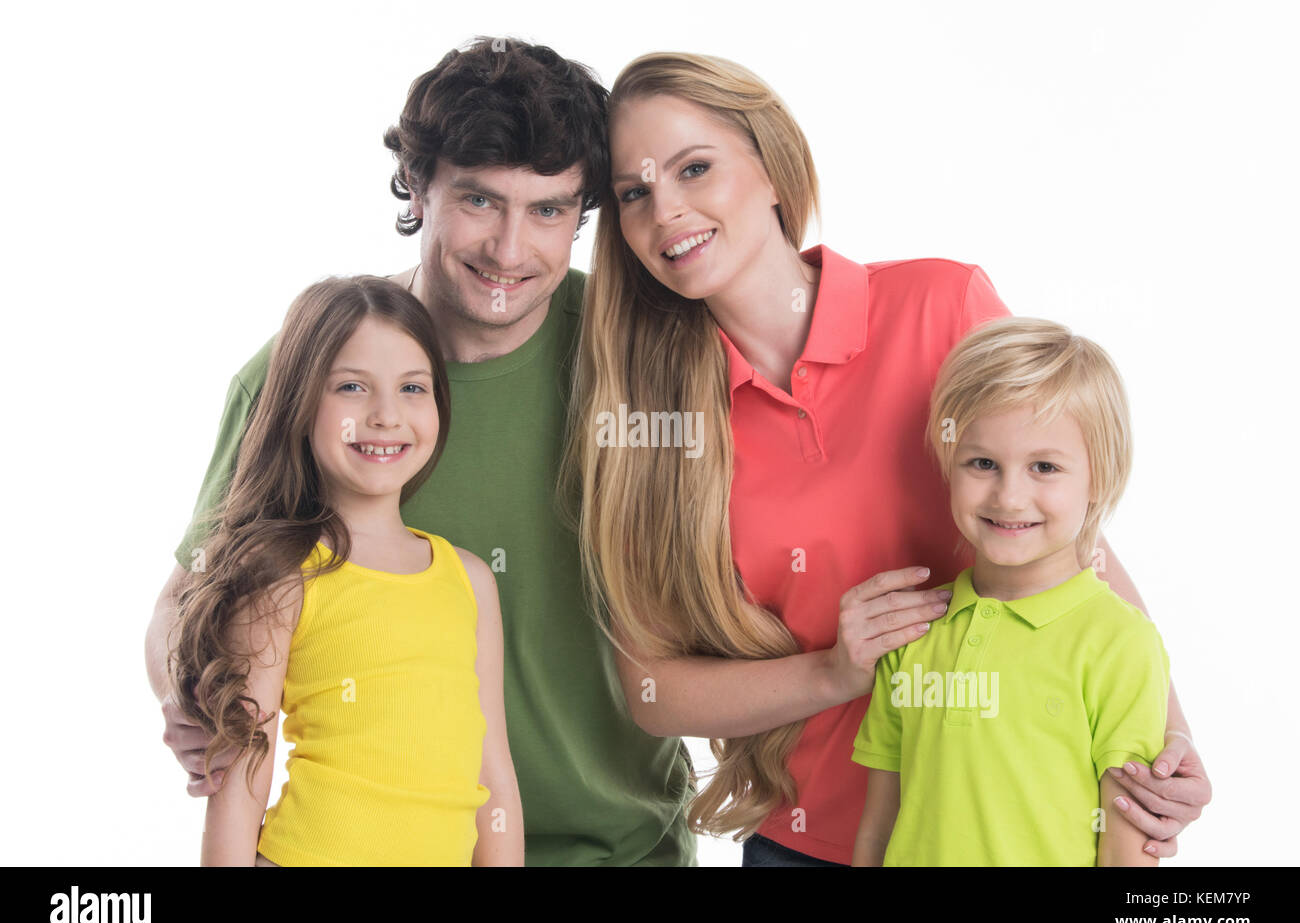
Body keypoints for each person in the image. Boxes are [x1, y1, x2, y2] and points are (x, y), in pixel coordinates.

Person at [566, 51, 1210, 866]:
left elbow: (1075, 544)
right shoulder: (649, 422)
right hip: (805, 842)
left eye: (696, 168)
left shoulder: (942, 308)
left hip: (1020, 836)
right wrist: (834, 672)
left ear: (771, 168)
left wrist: (1170, 740)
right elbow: (654, 692)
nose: (668, 211)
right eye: (635, 193)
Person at [146, 38, 697, 866]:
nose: (510, 251)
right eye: (479, 200)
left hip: (627, 846)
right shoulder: (300, 378)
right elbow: (188, 603)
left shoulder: (638, 349)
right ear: (418, 184)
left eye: (549, 211)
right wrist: (190, 702)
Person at [172, 276, 521, 866]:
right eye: (352, 387)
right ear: (301, 404)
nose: (386, 415)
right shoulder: (281, 575)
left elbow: (494, 774)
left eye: (413, 387)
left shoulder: (469, 580)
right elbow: (241, 780)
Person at [850, 317, 1167, 866]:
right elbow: (879, 828)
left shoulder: (1120, 642)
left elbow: (1127, 849)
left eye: (1045, 467)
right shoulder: (912, 631)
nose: (1010, 496)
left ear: (1102, 478)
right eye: (983, 463)